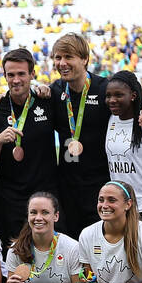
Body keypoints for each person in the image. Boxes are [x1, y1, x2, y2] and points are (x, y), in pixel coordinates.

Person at [0, 48, 59, 237]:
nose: (16, 80)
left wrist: (44, 88)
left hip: (47, 196)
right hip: (11, 200)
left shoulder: (47, 101)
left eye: (22, 74)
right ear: (4, 76)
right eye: (11, 74)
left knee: (51, 257)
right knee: (17, 259)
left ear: (32, 74)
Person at [49, 33, 111, 236]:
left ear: (85, 59)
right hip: (68, 185)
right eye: (58, 57)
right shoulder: (54, 90)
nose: (62, 63)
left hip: (101, 183)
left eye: (68, 57)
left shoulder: (104, 89)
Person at [99, 70, 142, 226]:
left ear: (133, 95)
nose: (112, 100)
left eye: (118, 95)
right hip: (115, 206)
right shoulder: (110, 119)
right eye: (108, 96)